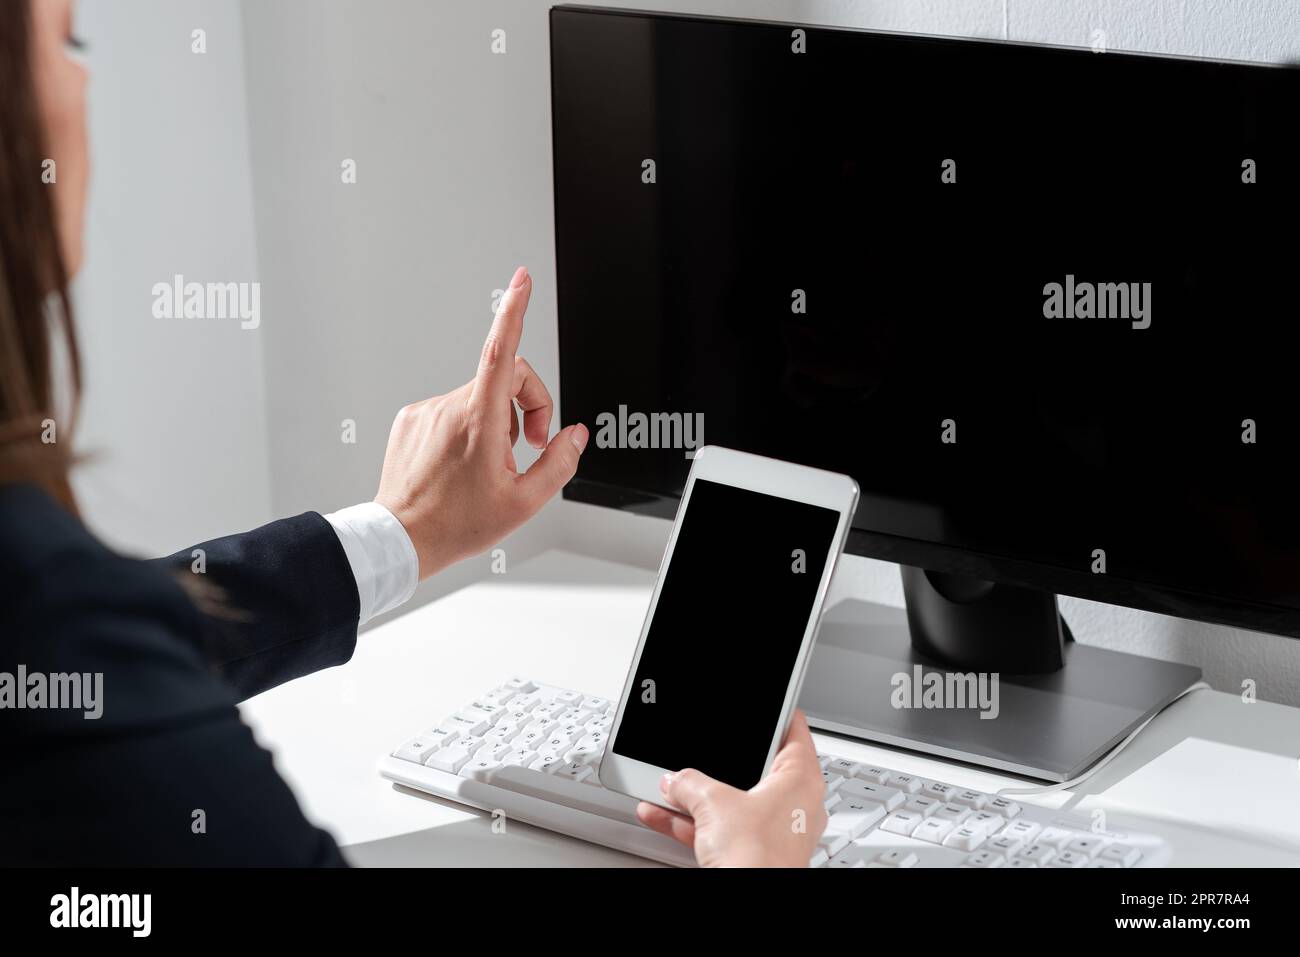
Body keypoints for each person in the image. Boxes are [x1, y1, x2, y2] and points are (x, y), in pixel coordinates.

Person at [0, 0, 826, 867]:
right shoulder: (45, 619)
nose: (87, 80)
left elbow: (121, 662)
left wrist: (400, 530)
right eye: (68, 41)